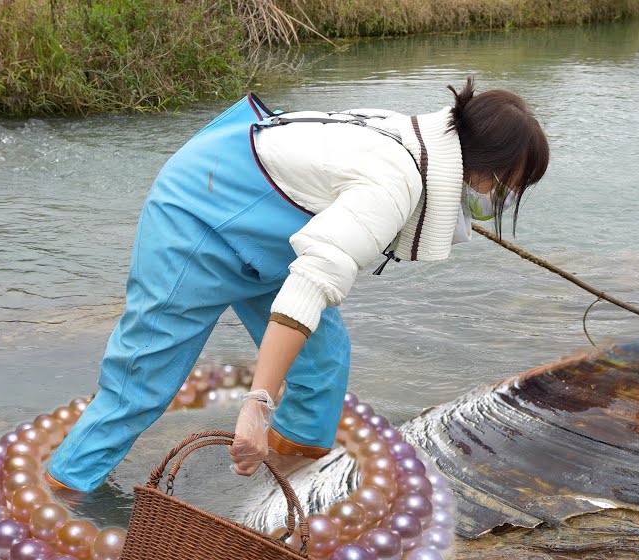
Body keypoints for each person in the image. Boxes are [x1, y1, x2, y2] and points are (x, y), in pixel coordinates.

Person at [45, 78, 550, 492]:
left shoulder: (425, 148)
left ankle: (285, 485)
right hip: (199, 214)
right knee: (144, 382)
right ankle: (66, 489)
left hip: (272, 238)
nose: (504, 199)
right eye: (507, 184)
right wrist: (257, 403)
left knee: (323, 364)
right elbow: (312, 283)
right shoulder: (395, 179)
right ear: (480, 163)